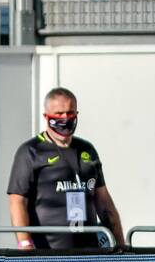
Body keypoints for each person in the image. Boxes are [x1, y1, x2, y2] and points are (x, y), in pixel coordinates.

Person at [8, 87, 125, 250]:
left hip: (90, 253)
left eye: (70, 113)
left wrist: (120, 244)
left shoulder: (87, 150)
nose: (65, 119)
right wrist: (25, 244)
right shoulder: (30, 151)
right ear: (46, 116)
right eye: (59, 113)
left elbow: (104, 202)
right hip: (48, 253)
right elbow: (17, 200)